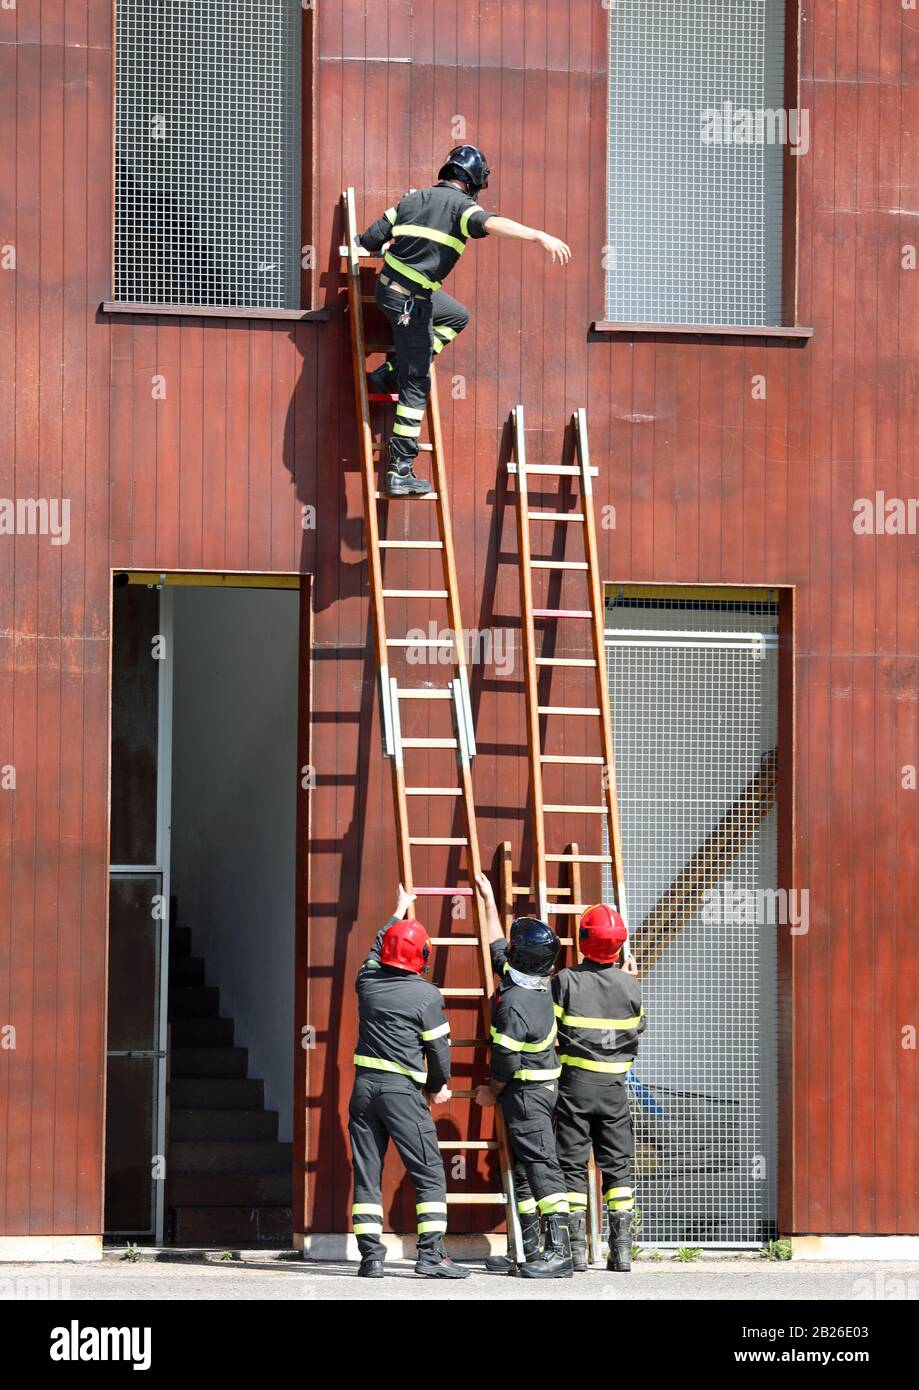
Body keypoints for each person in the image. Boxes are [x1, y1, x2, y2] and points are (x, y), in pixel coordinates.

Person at [356, 144, 571, 497]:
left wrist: (388, 247)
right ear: (472, 182)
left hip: (392, 292)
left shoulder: (411, 200)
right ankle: (399, 470)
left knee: (456, 315)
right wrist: (537, 235)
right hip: (410, 303)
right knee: (416, 382)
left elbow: (368, 240)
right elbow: (491, 222)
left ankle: (389, 372)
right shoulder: (463, 208)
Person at [348, 883, 470, 1279]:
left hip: (364, 1090)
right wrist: (438, 1085)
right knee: (429, 1170)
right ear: (422, 957)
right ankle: (431, 1256)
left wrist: (397, 910)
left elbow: (374, 950)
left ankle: (371, 1258)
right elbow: (439, 1051)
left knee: (367, 1170)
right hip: (402, 1092)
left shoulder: (366, 984)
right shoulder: (426, 995)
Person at [473, 872, 572, 1279]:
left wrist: (491, 1093)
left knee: (542, 1165)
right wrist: (489, 900)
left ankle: (559, 1254)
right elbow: (499, 946)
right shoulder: (529, 981)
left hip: (528, 1093)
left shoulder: (513, 1004)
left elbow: (504, 1063)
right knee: (528, 1165)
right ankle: (530, 1249)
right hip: (532, 1091)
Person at [553, 903, 646, 1272]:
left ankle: (576, 1250)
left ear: (582, 940)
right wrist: (628, 981)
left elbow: (550, 1031)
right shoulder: (630, 985)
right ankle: (621, 1251)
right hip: (614, 1088)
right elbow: (637, 1028)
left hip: (574, 1087)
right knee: (617, 1166)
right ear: (619, 946)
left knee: (572, 1164)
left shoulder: (565, 981)